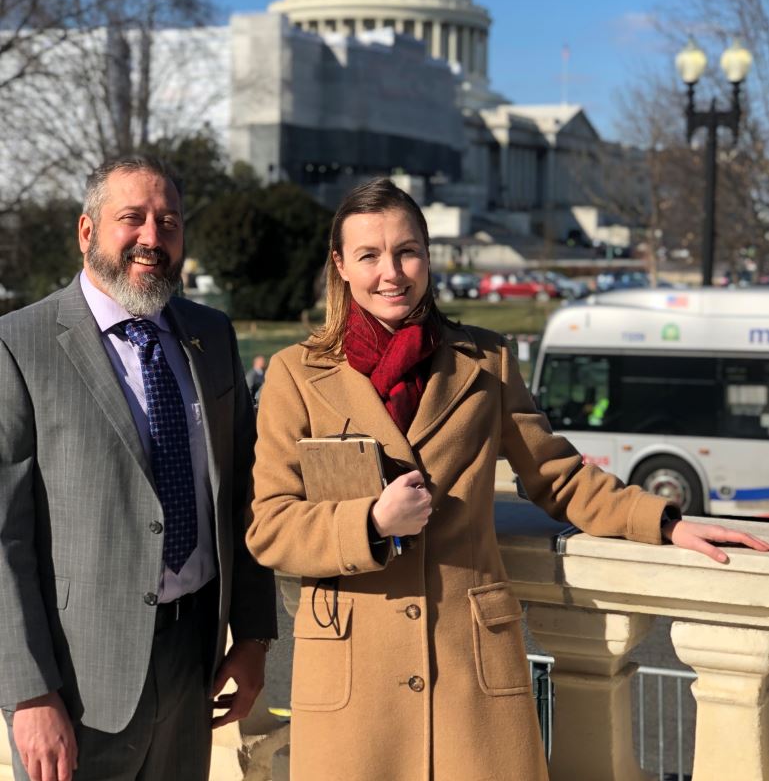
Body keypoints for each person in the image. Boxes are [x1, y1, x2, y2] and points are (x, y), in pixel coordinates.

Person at [246, 177, 768, 781]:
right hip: (351, 677)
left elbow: (559, 476)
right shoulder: (294, 374)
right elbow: (270, 526)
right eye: (368, 255)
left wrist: (666, 523)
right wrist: (369, 522)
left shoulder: (485, 361)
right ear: (340, 265)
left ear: (428, 257)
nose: (391, 272)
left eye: (407, 251)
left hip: (470, 663)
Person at [0, 156, 277, 781]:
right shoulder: (19, 345)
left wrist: (253, 638)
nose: (153, 237)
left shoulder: (212, 336)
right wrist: (27, 694)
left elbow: (243, 493)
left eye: (169, 222)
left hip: (194, 662)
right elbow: (2, 538)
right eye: (134, 219)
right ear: (88, 231)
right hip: (74, 686)